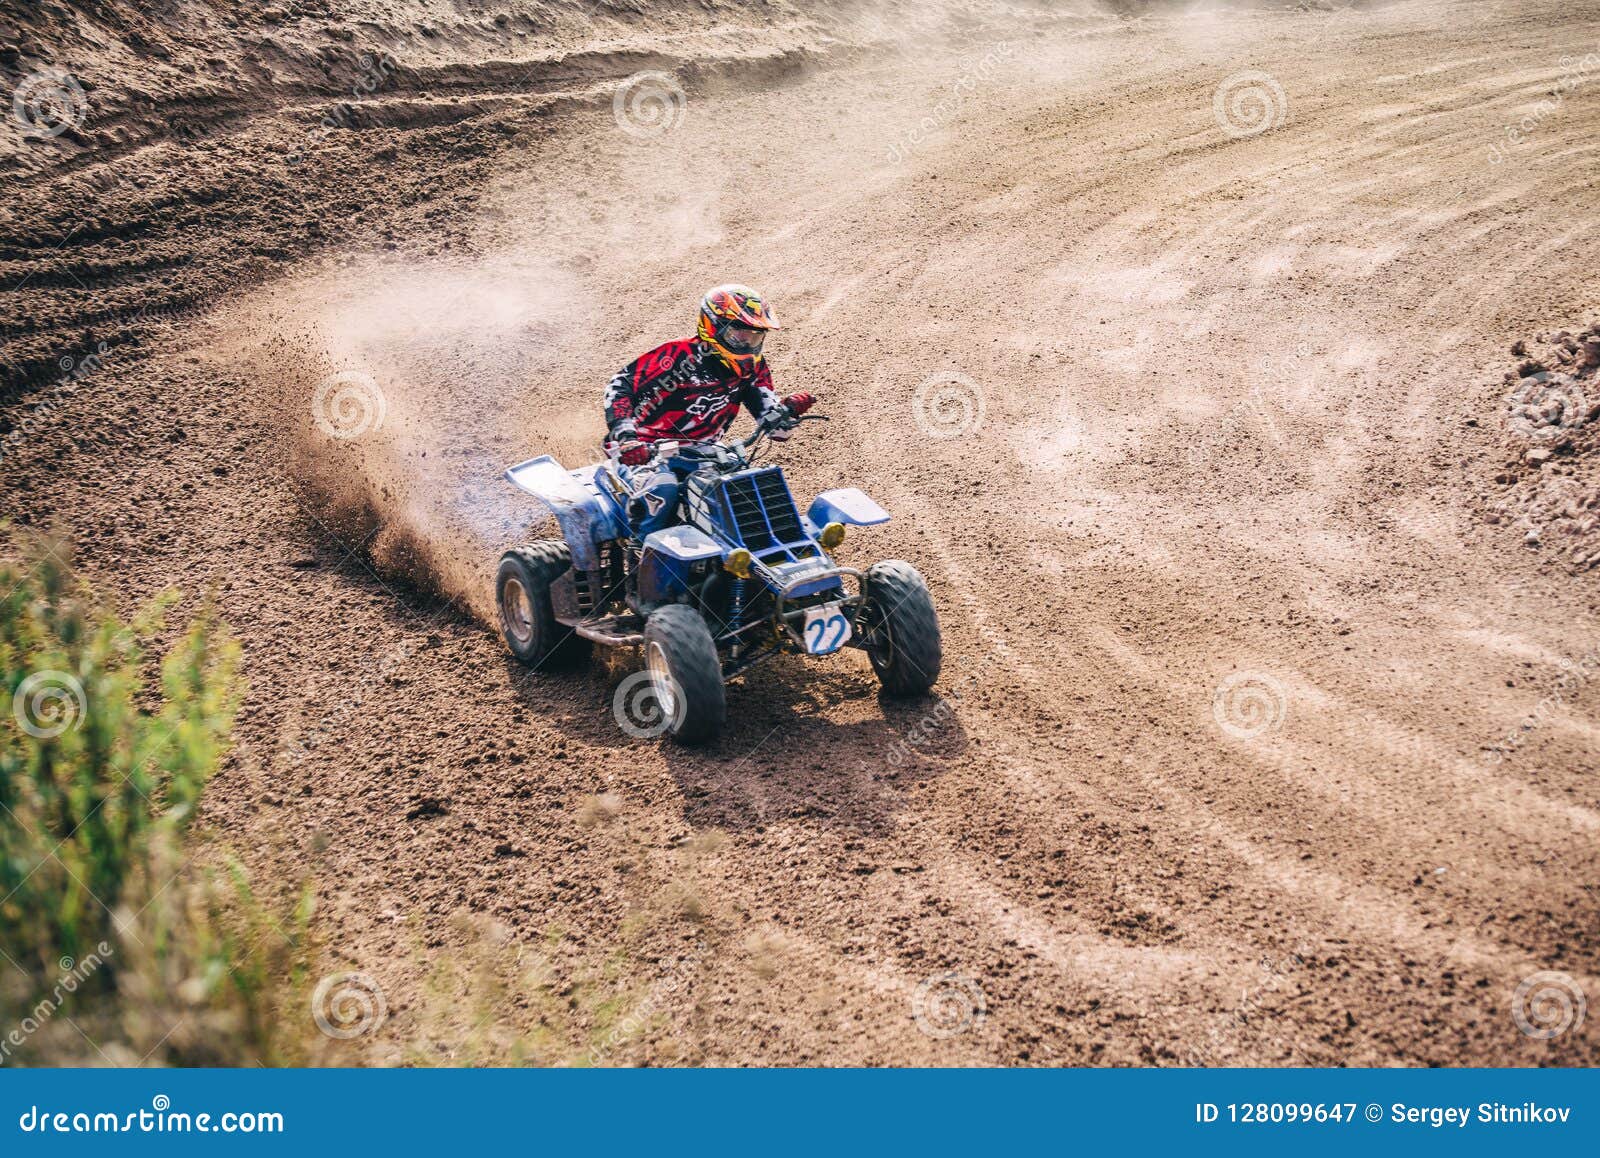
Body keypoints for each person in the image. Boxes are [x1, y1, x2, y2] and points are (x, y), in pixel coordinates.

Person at [602, 284, 814, 533]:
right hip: (644, 450)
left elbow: (778, 431)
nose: (747, 343)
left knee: (752, 485)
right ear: (714, 326)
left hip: (704, 450)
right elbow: (620, 385)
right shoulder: (679, 356)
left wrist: (786, 412)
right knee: (663, 488)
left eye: (755, 336)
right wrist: (627, 437)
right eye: (739, 334)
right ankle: (642, 552)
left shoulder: (752, 368)